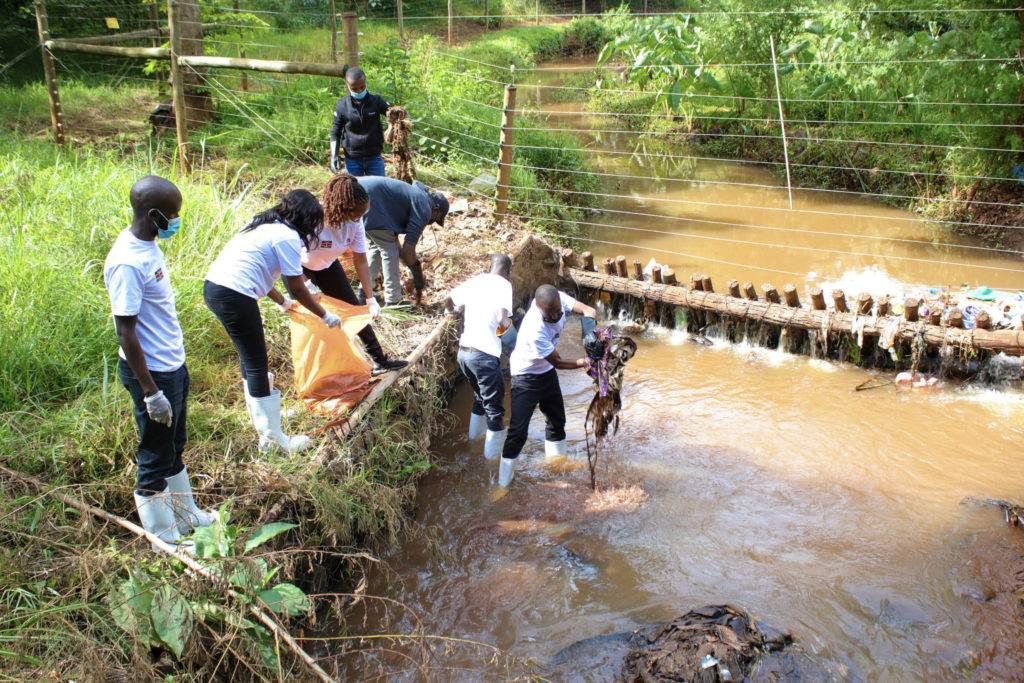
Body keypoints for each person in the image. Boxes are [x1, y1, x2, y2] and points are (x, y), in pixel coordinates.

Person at [104, 176, 215, 553]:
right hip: (153, 375)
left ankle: (187, 516)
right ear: (153, 215)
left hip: (173, 365)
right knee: (154, 454)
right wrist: (151, 391)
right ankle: (163, 540)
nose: (176, 221)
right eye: (172, 215)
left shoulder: (148, 244)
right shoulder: (127, 262)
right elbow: (125, 332)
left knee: (174, 445)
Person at [204, 189, 341, 453]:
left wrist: (282, 302)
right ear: (307, 218)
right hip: (234, 295)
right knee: (256, 363)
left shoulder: (262, 226)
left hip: (217, 288)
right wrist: (324, 315)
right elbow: (298, 287)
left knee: (249, 359)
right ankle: (272, 440)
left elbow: (260, 274)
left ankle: (264, 418)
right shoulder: (287, 237)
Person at [269, 174, 408, 374]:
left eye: (362, 215)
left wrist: (370, 298)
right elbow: (289, 255)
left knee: (353, 308)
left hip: (328, 266)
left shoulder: (355, 224)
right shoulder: (311, 217)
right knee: (314, 320)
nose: (358, 220)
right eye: (355, 215)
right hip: (299, 270)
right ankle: (324, 373)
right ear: (340, 209)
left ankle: (380, 359)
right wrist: (306, 284)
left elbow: (360, 260)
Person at [498, 285, 598, 488]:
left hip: (545, 372)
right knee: (518, 432)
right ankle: (503, 484)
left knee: (557, 420)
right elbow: (559, 363)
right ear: (540, 309)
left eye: (559, 311)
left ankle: (557, 469)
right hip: (525, 376)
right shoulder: (536, 329)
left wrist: (589, 334)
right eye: (551, 314)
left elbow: (590, 311)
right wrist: (588, 362)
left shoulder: (558, 299)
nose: (557, 315)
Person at [446, 254, 514, 459]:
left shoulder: (475, 281)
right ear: (507, 271)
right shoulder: (504, 285)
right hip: (484, 356)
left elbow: (449, 300)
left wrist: (451, 312)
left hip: (465, 354)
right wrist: (515, 346)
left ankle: (474, 441)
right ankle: (492, 463)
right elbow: (503, 320)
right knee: (495, 411)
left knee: (479, 397)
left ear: (490, 266)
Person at [357, 176, 449, 307]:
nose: (432, 222)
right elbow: (408, 249)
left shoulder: (417, 197)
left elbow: (404, 251)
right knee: (389, 249)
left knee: (376, 247)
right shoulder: (424, 207)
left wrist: (410, 267)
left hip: (362, 193)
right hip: (369, 200)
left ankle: (364, 292)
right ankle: (393, 300)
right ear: (436, 210)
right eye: (437, 219)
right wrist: (417, 274)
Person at [329, 67, 391, 177]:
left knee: (379, 190)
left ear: (366, 82)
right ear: (348, 86)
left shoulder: (376, 101)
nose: (359, 91)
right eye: (354, 89)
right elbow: (336, 132)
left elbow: (393, 113)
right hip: (353, 159)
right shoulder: (342, 105)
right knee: (355, 191)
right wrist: (334, 155)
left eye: (362, 87)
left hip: (374, 157)